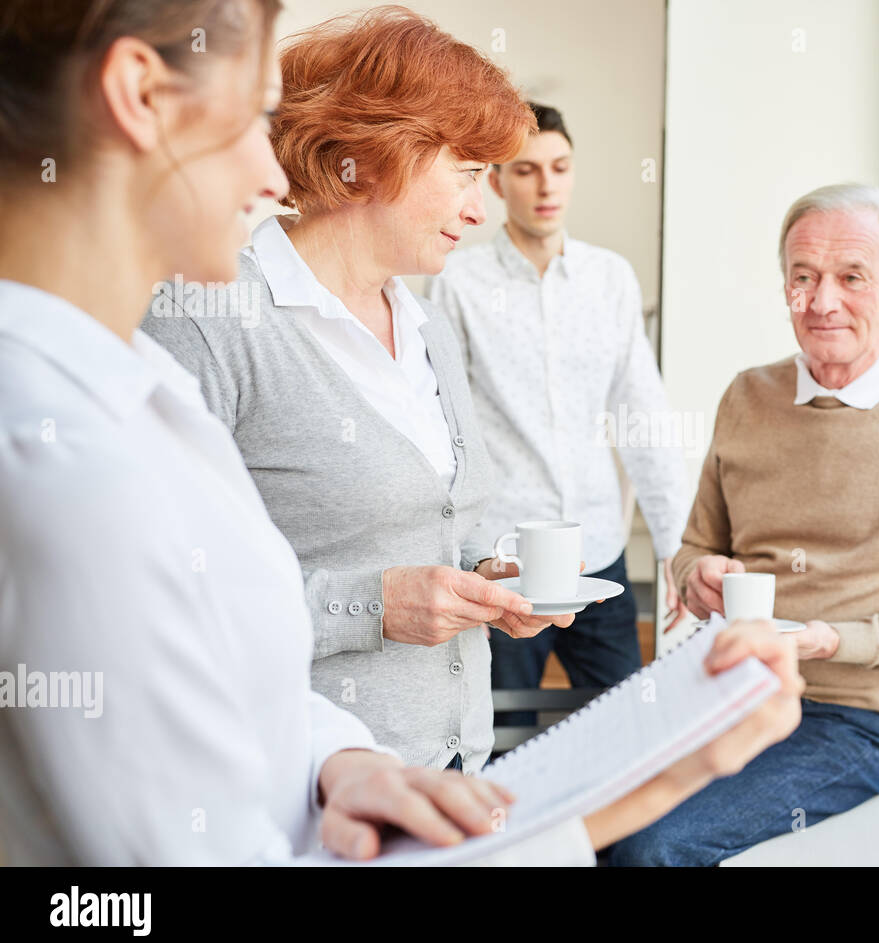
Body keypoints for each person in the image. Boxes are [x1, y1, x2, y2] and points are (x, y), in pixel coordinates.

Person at [0, 0, 802, 866]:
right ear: (363, 160)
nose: (271, 176)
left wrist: (338, 758)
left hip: (422, 764)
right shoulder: (130, 388)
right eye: (466, 172)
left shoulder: (417, 324)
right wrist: (661, 780)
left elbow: (226, 625)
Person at [142, 8, 581, 770]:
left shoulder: (426, 327)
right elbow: (159, 596)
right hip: (295, 790)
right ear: (378, 155)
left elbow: (437, 526)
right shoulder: (212, 320)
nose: (481, 211)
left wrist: (485, 578)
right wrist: (373, 606)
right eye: (466, 174)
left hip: (448, 775)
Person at [607, 184, 879, 866]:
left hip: (855, 719)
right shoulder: (747, 395)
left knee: (653, 846)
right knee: (575, 817)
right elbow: (697, 547)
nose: (822, 302)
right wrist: (695, 574)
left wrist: (833, 641)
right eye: (803, 277)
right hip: (727, 686)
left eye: (852, 277)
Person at [431, 103, 688, 717]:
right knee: (493, 735)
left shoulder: (611, 280)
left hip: (600, 556)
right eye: (526, 171)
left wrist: (676, 545)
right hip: (504, 560)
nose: (546, 185)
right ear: (495, 182)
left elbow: (642, 415)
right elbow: (444, 430)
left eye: (560, 167)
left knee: (628, 730)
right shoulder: (458, 283)